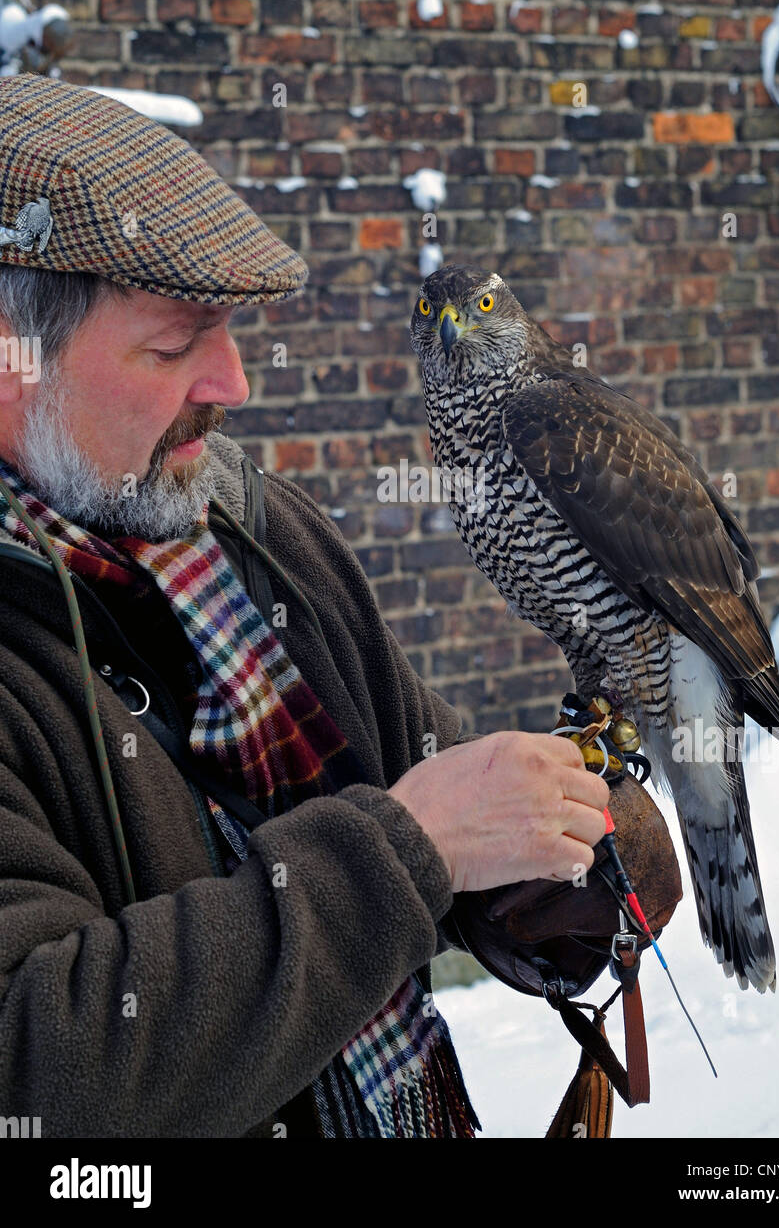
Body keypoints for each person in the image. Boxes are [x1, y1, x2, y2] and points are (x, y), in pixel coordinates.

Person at [0, 74, 609, 1139]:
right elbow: (40, 1075)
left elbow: (424, 778)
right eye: (173, 344)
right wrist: (408, 851)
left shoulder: (249, 527)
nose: (232, 381)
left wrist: (565, 863)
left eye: (229, 331)